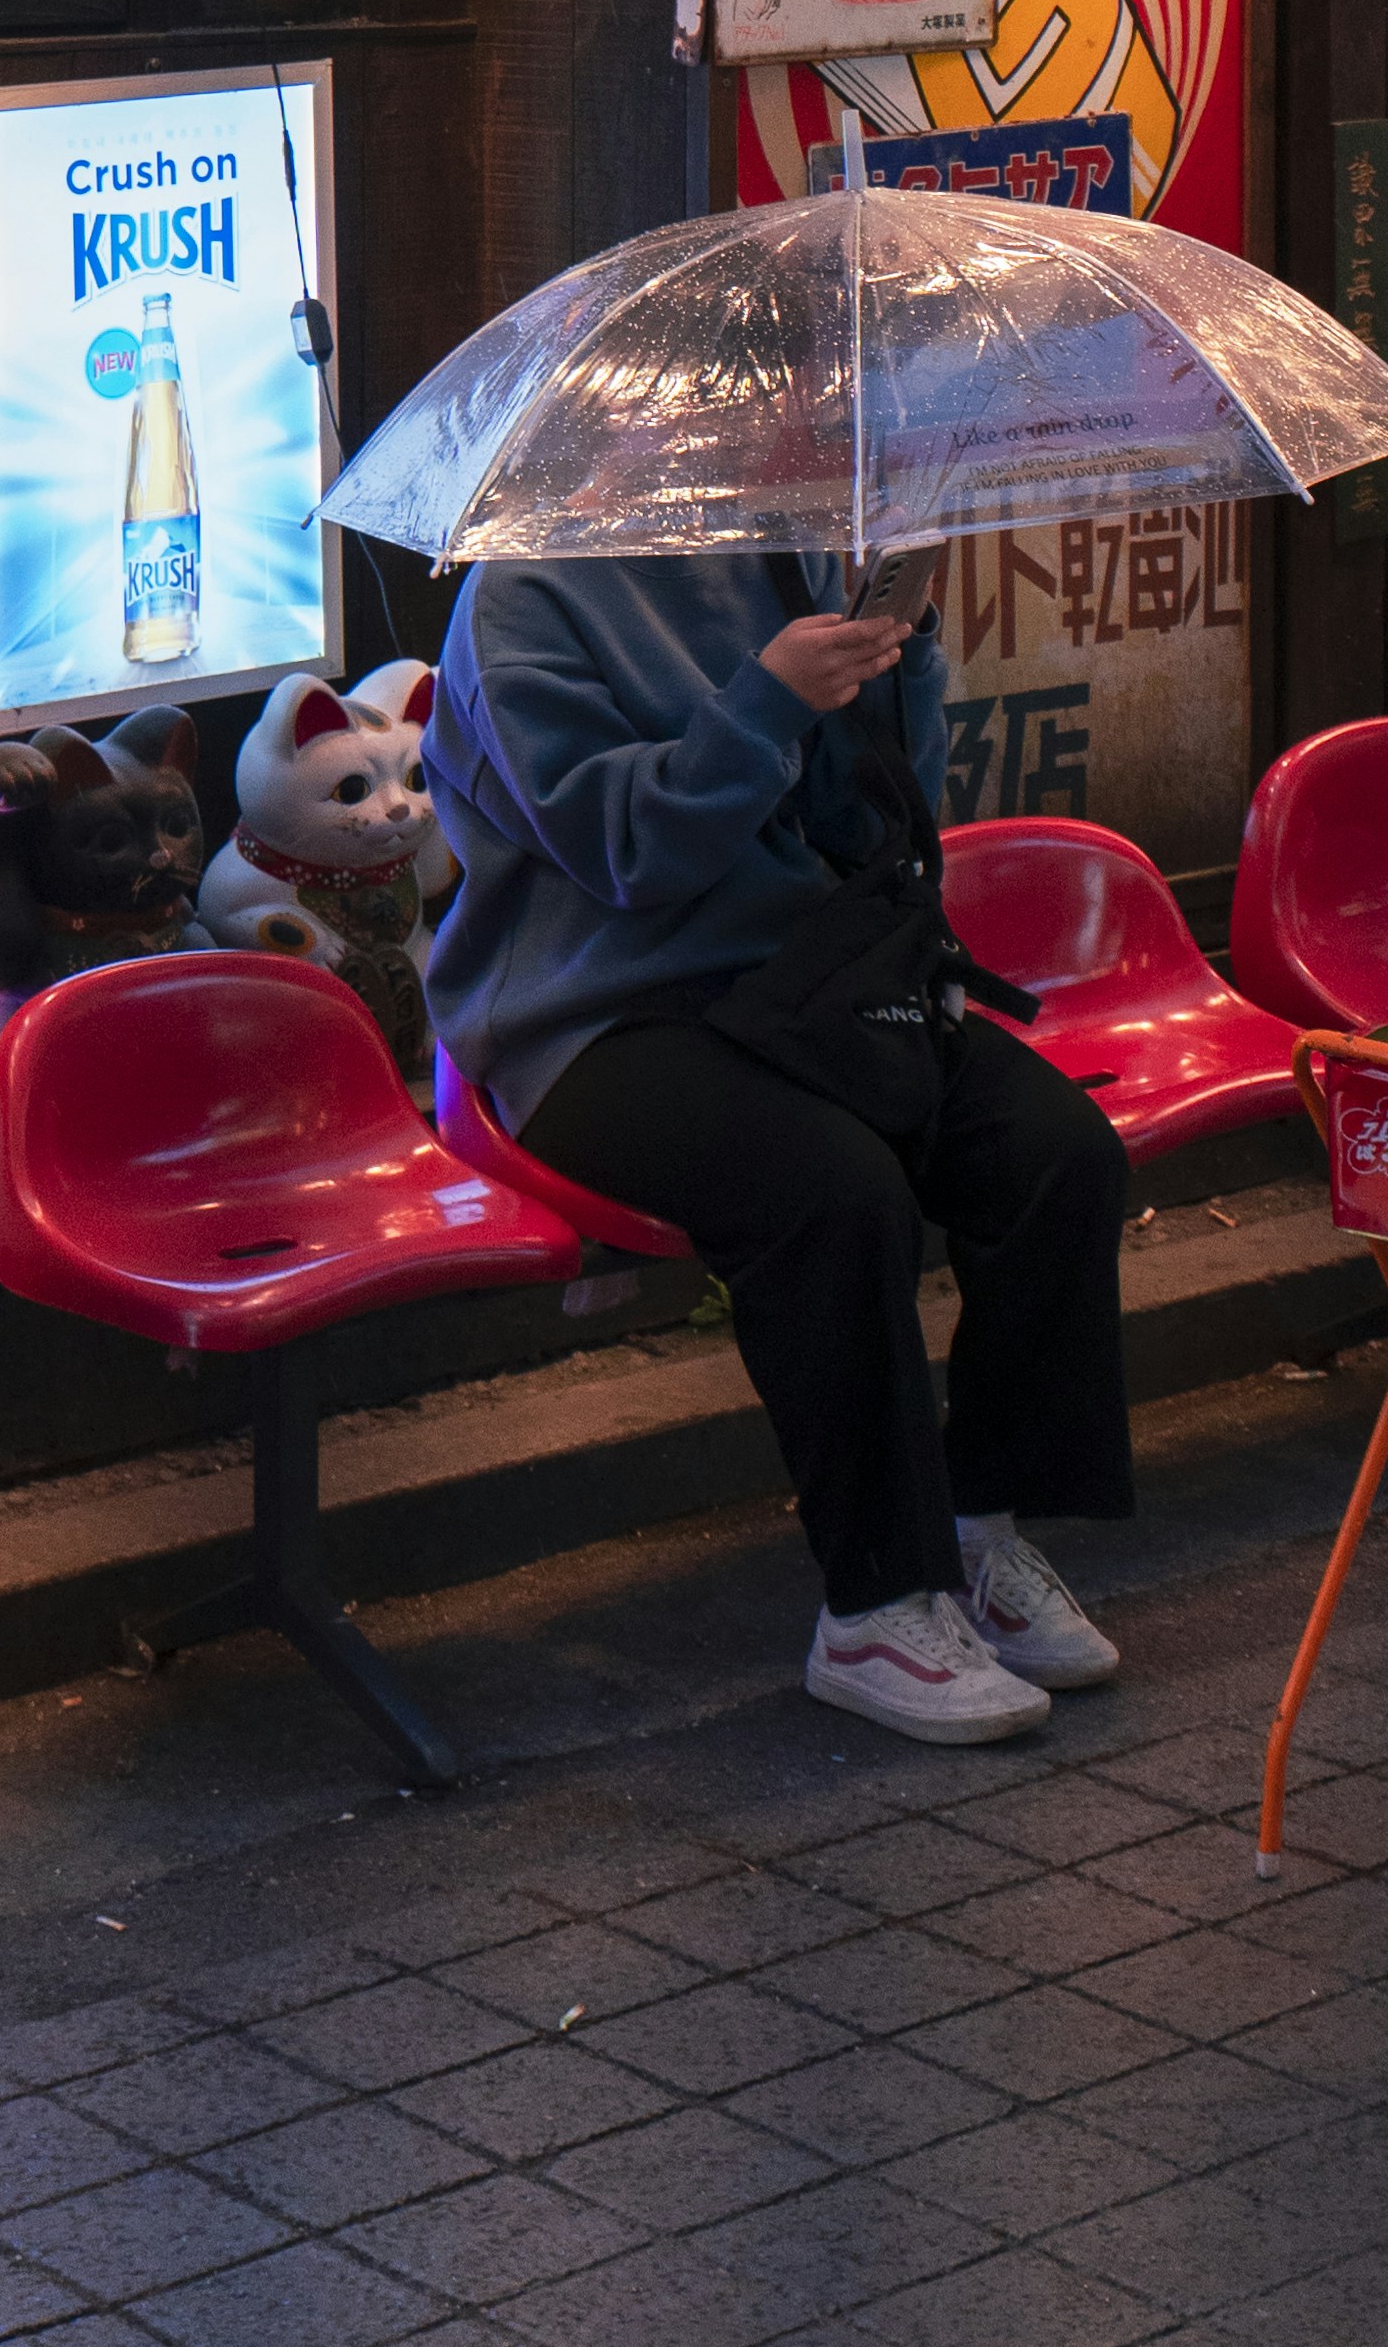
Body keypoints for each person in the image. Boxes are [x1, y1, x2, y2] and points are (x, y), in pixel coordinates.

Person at [424, 544, 1131, 1741]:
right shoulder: (522, 597)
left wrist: (899, 657)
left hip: (809, 978)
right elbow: (622, 854)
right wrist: (766, 698)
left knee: (1057, 1150)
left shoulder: (790, 558)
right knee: (834, 1193)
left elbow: (872, 822)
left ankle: (975, 1528)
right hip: (590, 1011)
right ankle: (874, 1603)